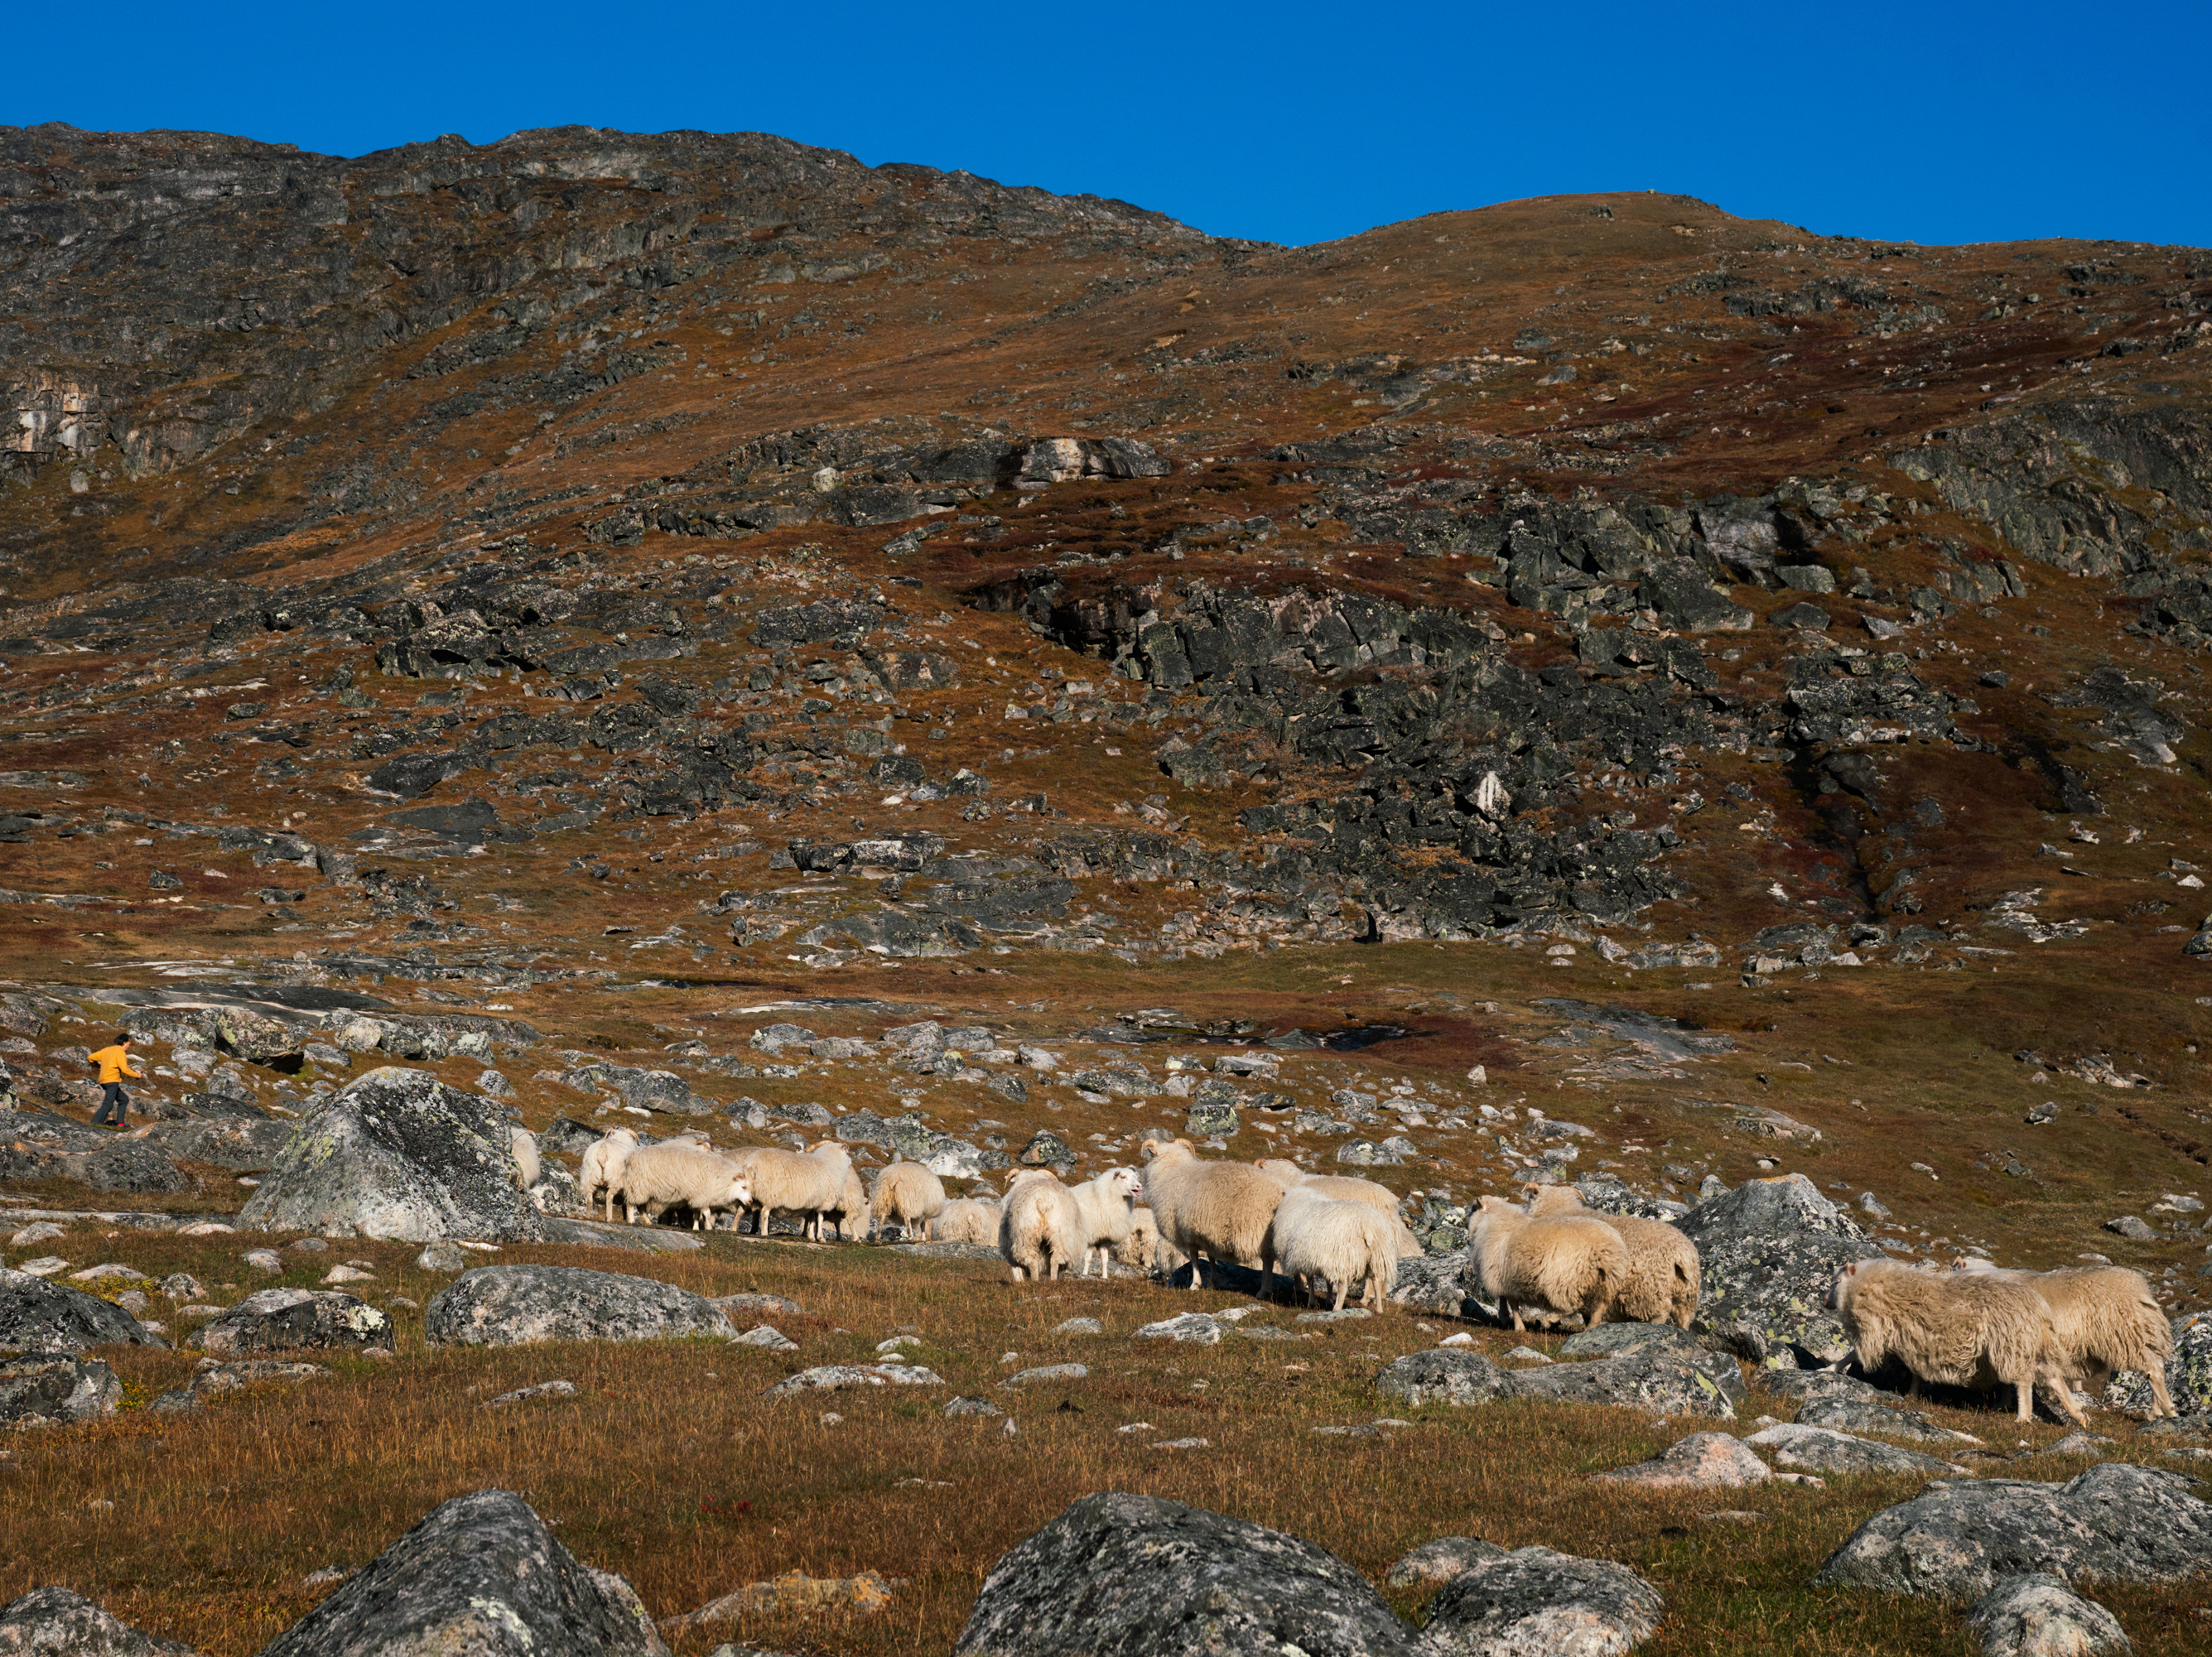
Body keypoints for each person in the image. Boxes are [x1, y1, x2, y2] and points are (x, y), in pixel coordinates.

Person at [88, 1033, 142, 1129]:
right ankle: (94, 1124)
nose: (129, 1046)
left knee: (124, 1099)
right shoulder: (120, 1052)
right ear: (124, 1042)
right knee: (108, 1104)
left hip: (104, 1080)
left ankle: (120, 1123)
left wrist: (97, 1066)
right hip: (112, 1081)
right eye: (129, 1043)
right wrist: (137, 1075)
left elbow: (90, 1057)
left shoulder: (107, 1050)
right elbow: (125, 1069)